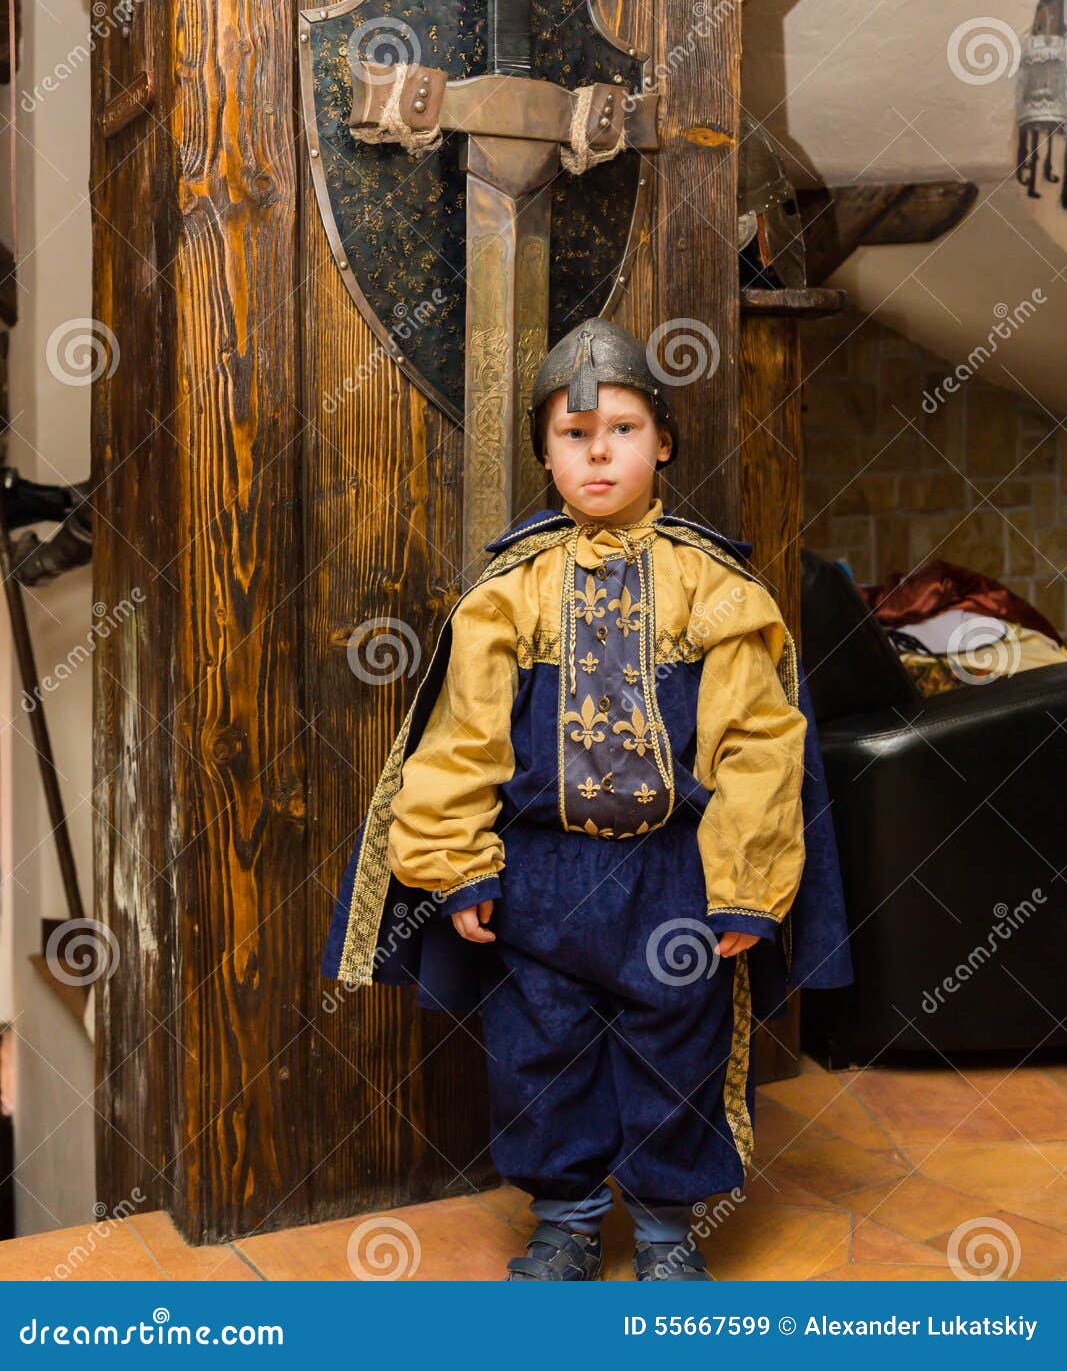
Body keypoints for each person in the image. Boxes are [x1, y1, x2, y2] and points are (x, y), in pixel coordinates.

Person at [321, 316, 853, 1281]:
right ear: (545, 454)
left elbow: (758, 748)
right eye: (573, 435)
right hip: (539, 876)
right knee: (537, 1050)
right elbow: (458, 738)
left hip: (670, 879)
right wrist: (457, 865)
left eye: (622, 429)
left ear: (664, 442)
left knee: (675, 1047)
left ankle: (663, 1230)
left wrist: (743, 885)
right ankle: (563, 1221)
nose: (598, 450)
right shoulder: (507, 591)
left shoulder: (718, 589)